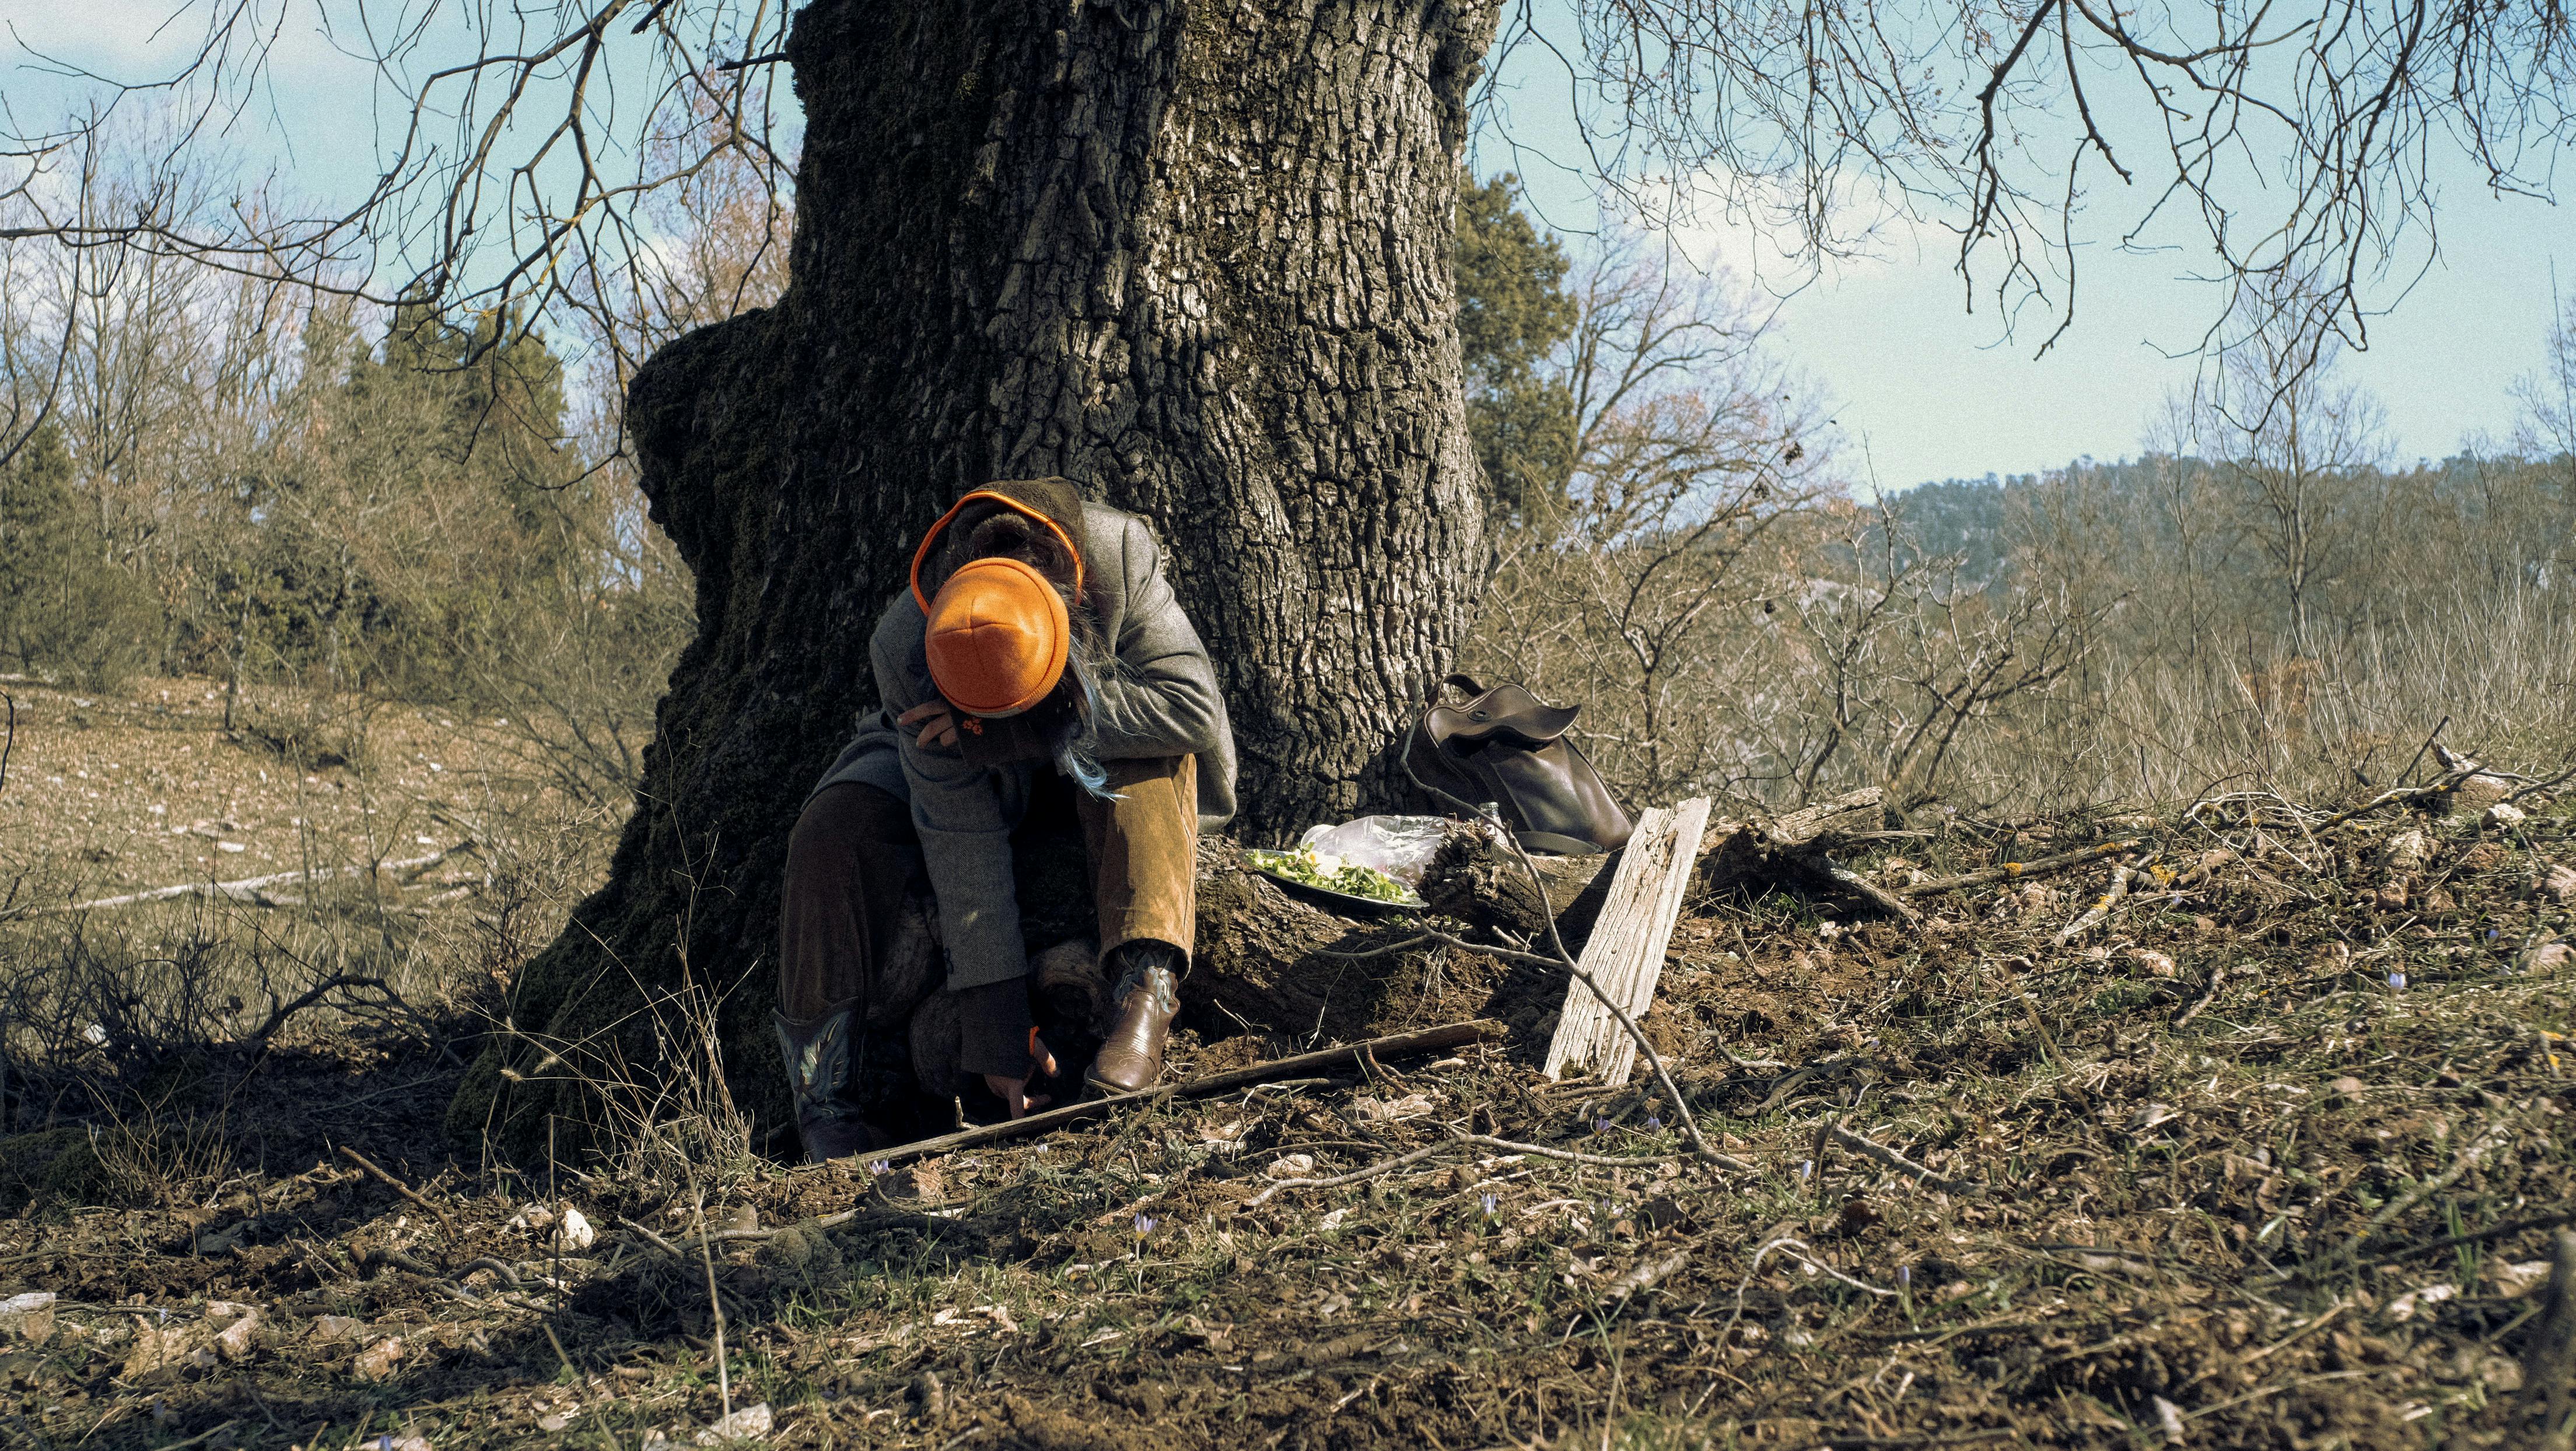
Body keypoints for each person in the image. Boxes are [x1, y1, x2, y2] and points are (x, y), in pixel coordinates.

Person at [773, 478, 1236, 1162]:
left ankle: (1145, 996)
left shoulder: (1117, 555)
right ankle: (826, 1099)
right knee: (831, 827)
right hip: (965, 770)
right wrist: (996, 1024)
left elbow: (1193, 708)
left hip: (1095, 736)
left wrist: (1023, 731)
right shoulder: (902, 643)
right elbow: (959, 837)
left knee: (1155, 753)